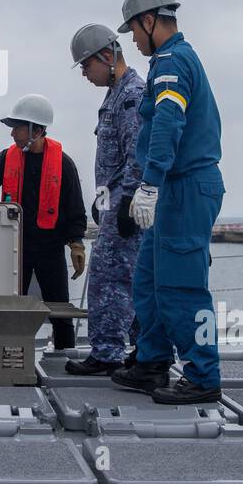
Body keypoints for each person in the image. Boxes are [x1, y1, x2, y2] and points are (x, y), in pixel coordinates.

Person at [110, 0, 225, 404]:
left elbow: (168, 122)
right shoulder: (168, 61)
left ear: (149, 21)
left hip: (185, 188)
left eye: (134, 32)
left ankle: (204, 376)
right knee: (149, 280)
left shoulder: (172, 62)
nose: (134, 42)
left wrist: (150, 182)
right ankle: (152, 361)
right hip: (175, 187)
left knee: (183, 287)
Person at [0, 95, 86, 352]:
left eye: (17, 128)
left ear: (36, 131)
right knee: (11, 309)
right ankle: (9, 357)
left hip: (50, 249)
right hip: (15, 249)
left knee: (60, 310)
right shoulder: (7, 157)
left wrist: (76, 244)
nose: (12, 134)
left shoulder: (63, 164)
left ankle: (65, 357)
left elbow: (75, 208)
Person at [65, 24, 144, 376]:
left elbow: (136, 155)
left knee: (109, 280)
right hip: (114, 203)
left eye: (86, 65)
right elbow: (111, 162)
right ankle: (140, 351)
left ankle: (109, 353)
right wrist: (102, 200)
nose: (84, 73)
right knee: (129, 279)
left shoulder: (131, 96)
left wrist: (127, 201)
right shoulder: (115, 95)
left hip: (126, 206)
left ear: (108, 57)